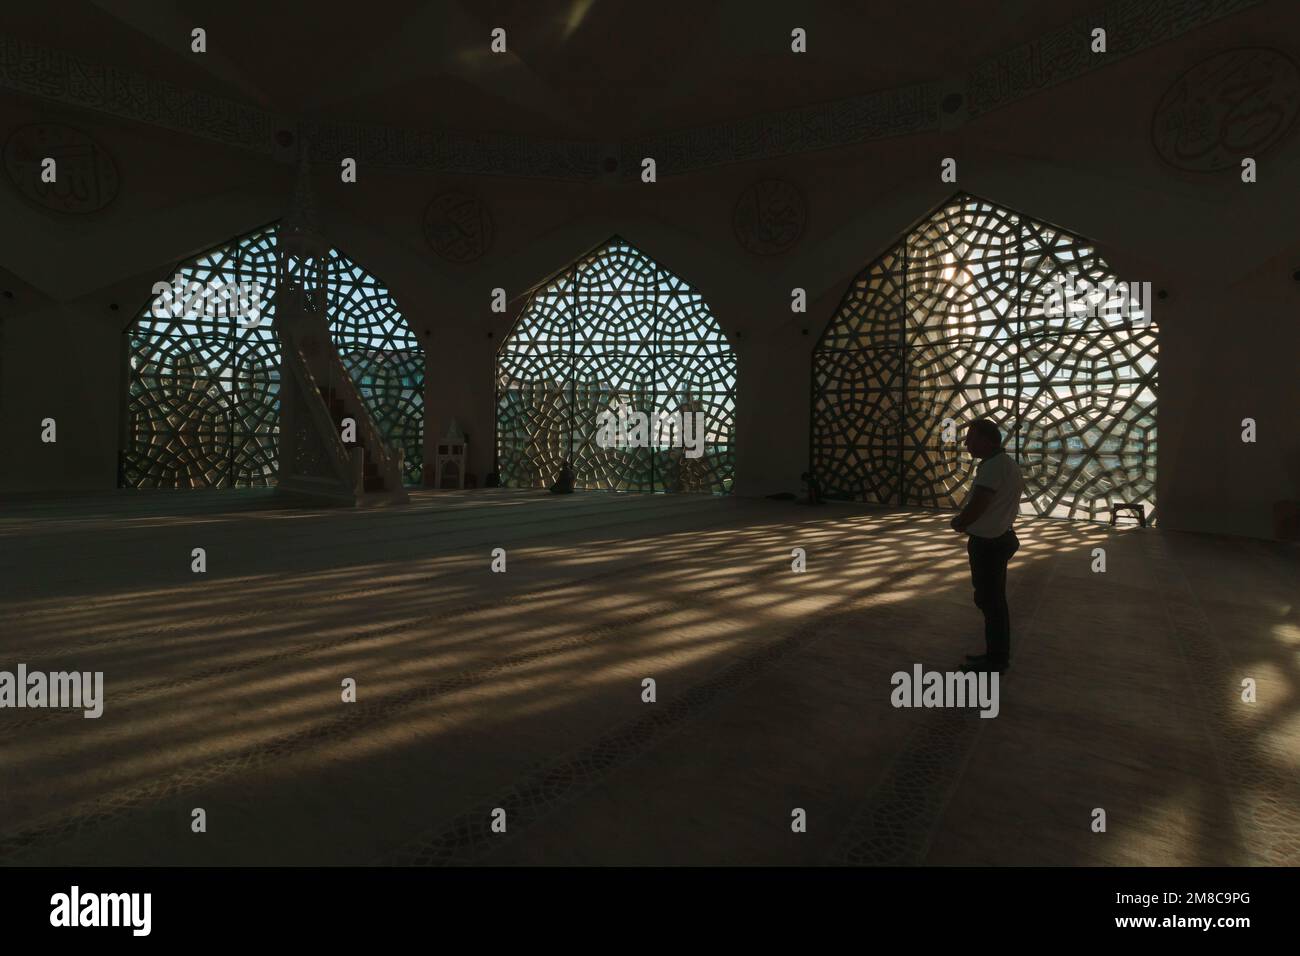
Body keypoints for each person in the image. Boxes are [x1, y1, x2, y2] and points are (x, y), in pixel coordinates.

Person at [949, 419, 1023, 673]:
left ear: (988, 441)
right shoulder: (1007, 464)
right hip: (1000, 537)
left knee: (991, 602)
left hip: (989, 543)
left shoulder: (992, 467)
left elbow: (980, 503)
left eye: (971, 437)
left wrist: (960, 522)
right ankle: (995, 656)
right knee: (993, 602)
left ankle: (996, 660)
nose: (967, 443)